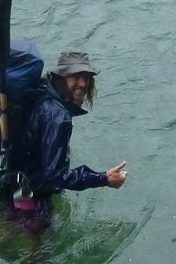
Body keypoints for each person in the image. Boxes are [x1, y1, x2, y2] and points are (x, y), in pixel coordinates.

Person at [8, 50, 127, 230]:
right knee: (38, 254)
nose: (82, 84)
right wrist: (103, 179)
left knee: (10, 232)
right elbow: (56, 176)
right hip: (31, 193)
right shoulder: (58, 116)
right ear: (62, 78)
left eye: (86, 77)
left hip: (15, 183)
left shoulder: (42, 91)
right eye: (76, 77)